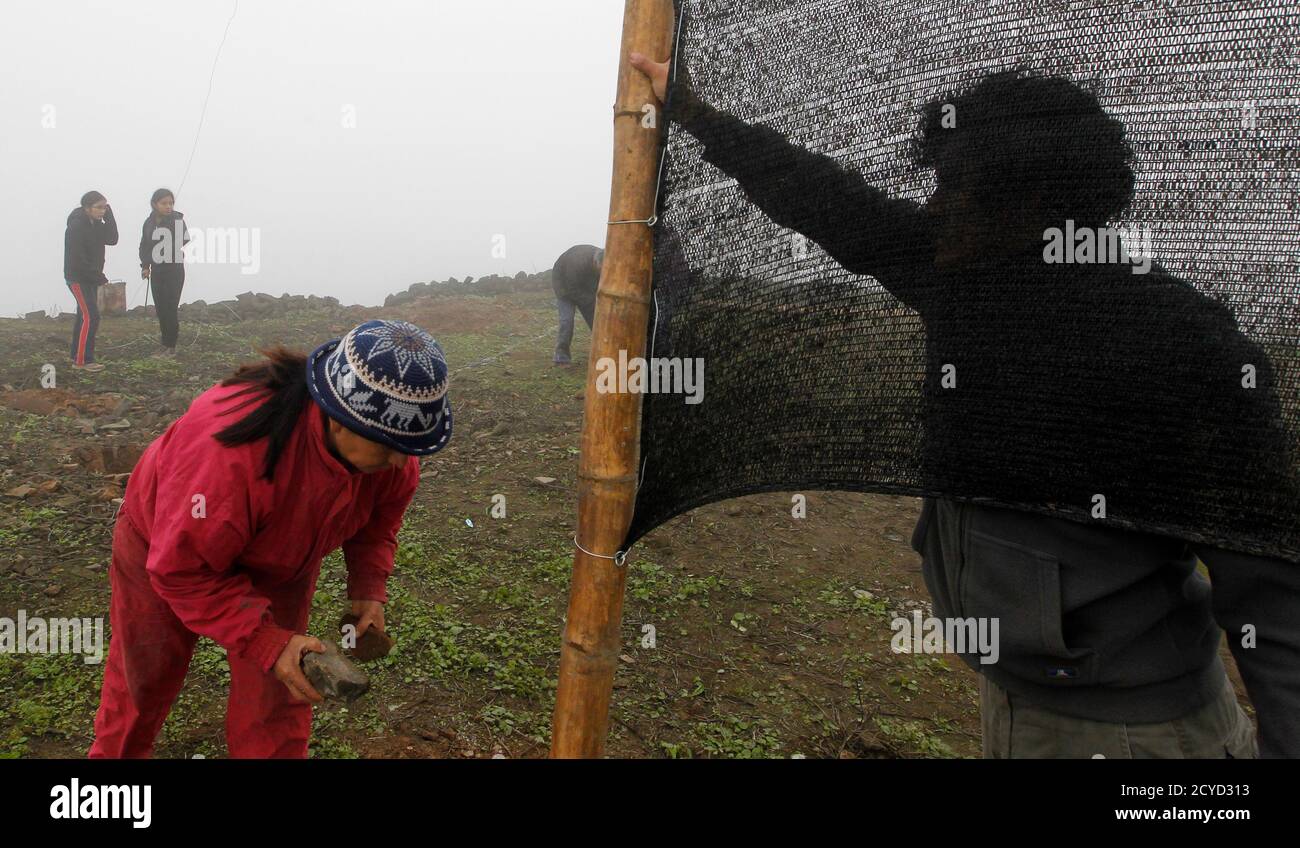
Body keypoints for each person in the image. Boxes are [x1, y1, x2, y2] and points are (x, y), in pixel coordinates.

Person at [631, 53, 1300, 757]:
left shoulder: (1182, 344)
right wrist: (699, 115)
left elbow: (1277, 595)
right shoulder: (968, 278)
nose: (934, 205)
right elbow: (828, 200)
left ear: (1031, 199)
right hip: (1016, 702)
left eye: (956, 186)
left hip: (1136, 735)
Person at [89, 319, 453, 758]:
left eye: (412, 448)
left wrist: (368, 589)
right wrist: (263, 639)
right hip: (170, 544)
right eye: (388, 447)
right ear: (339, 420)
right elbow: (179, 569)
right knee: (143, 681)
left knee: (282, 692)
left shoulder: (392, 448)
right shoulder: (229, 455)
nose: (401, 462)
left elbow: (378, 522)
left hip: (279, 562)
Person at [63, 190, 119, 372]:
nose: (102, 211)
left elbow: (112, 239)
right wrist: (98, 276)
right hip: (78, 278)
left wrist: (109, 216)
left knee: (84, 316)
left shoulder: (95, 224)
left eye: (105, 207)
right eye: (99, 208)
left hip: (90, 278)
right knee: (91, 316)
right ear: (87, 208)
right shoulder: (77, 226)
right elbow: (77, 258)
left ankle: (76, 354)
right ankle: (83, 361)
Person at [139, 188, 190, 357]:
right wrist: (145, 266)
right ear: (155, 204)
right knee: (160, 309)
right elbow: (144, 245)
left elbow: (183, 240)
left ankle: (171, 346)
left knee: (170, 308)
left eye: (171, 203)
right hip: (157, 270)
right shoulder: (149, 222)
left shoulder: (177, 220)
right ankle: (164, 344)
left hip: (173, 270)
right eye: (164, 203)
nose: (168, 206)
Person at [552, 243, 604, 365]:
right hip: (564, 287)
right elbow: (573, 289)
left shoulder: (602, 259)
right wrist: (591, 301)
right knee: (567, 321)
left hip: (585, 288)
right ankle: (561, 356)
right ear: (595, 263)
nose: (601, 272)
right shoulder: (577, 263)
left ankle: (602, 351)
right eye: (600, 269)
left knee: (597, 321)